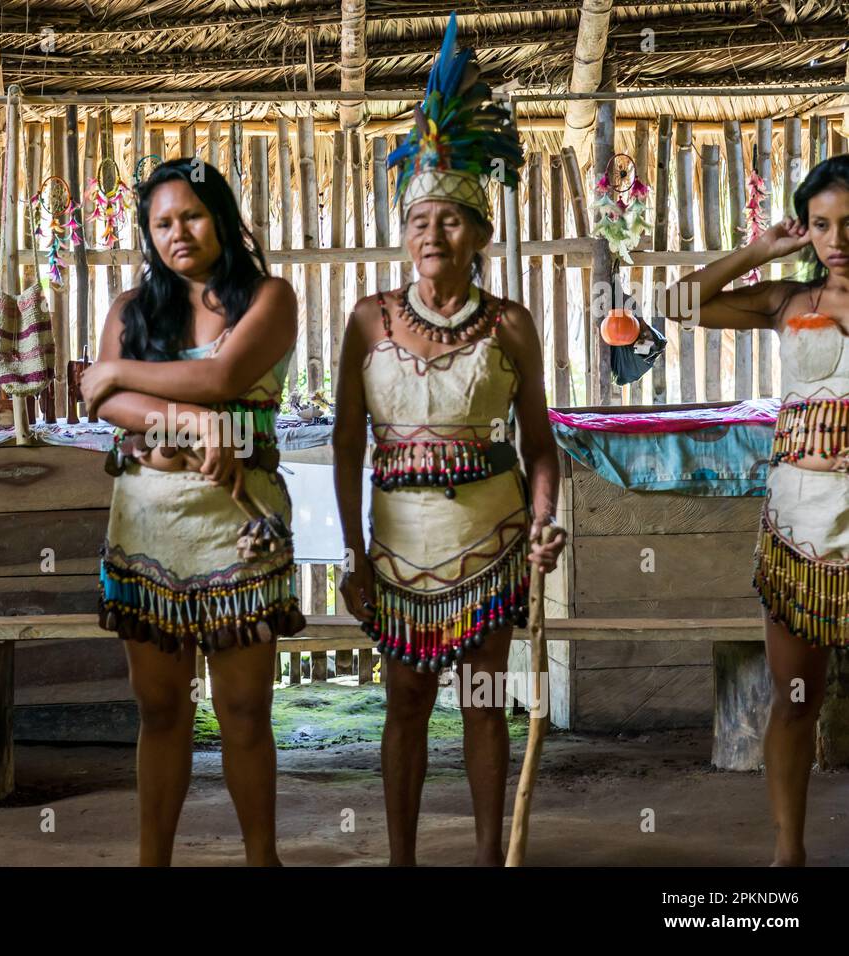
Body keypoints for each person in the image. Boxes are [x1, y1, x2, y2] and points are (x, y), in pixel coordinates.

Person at [332, 13, 565, 866]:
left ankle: (484, 855)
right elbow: (349, 443)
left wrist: (542, 520)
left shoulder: (509, 325)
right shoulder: (369, 322)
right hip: (396, 545)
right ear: (404, 230)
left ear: (482, 233)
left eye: (453, 219)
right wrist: (353, 555)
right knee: (404, 700)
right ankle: (400, 858)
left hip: (491, 541)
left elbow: (541, 445)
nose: (435, 232)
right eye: (420, 218)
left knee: (480, 700)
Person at [77, 158, 306, 866]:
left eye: (193, 216)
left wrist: (115, 370)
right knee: (161, 710)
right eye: (163, 223)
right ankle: (154, 861)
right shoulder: (130, 309)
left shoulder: (270, 298)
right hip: (146, 522)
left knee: (243, 713)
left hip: (238, 528)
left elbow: (224, 376)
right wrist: (179, 415)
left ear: (224, 219)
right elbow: (103, 403)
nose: (179, 233)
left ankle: (262, 859)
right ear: (149, 234)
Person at [665, 153, 849, 866]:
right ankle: (789, 854)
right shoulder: (788, 305)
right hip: (801, 532)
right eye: (820, 225)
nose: (836, 239)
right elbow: (679, 305)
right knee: (797, 698)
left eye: (848, 224)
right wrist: (756, 251)